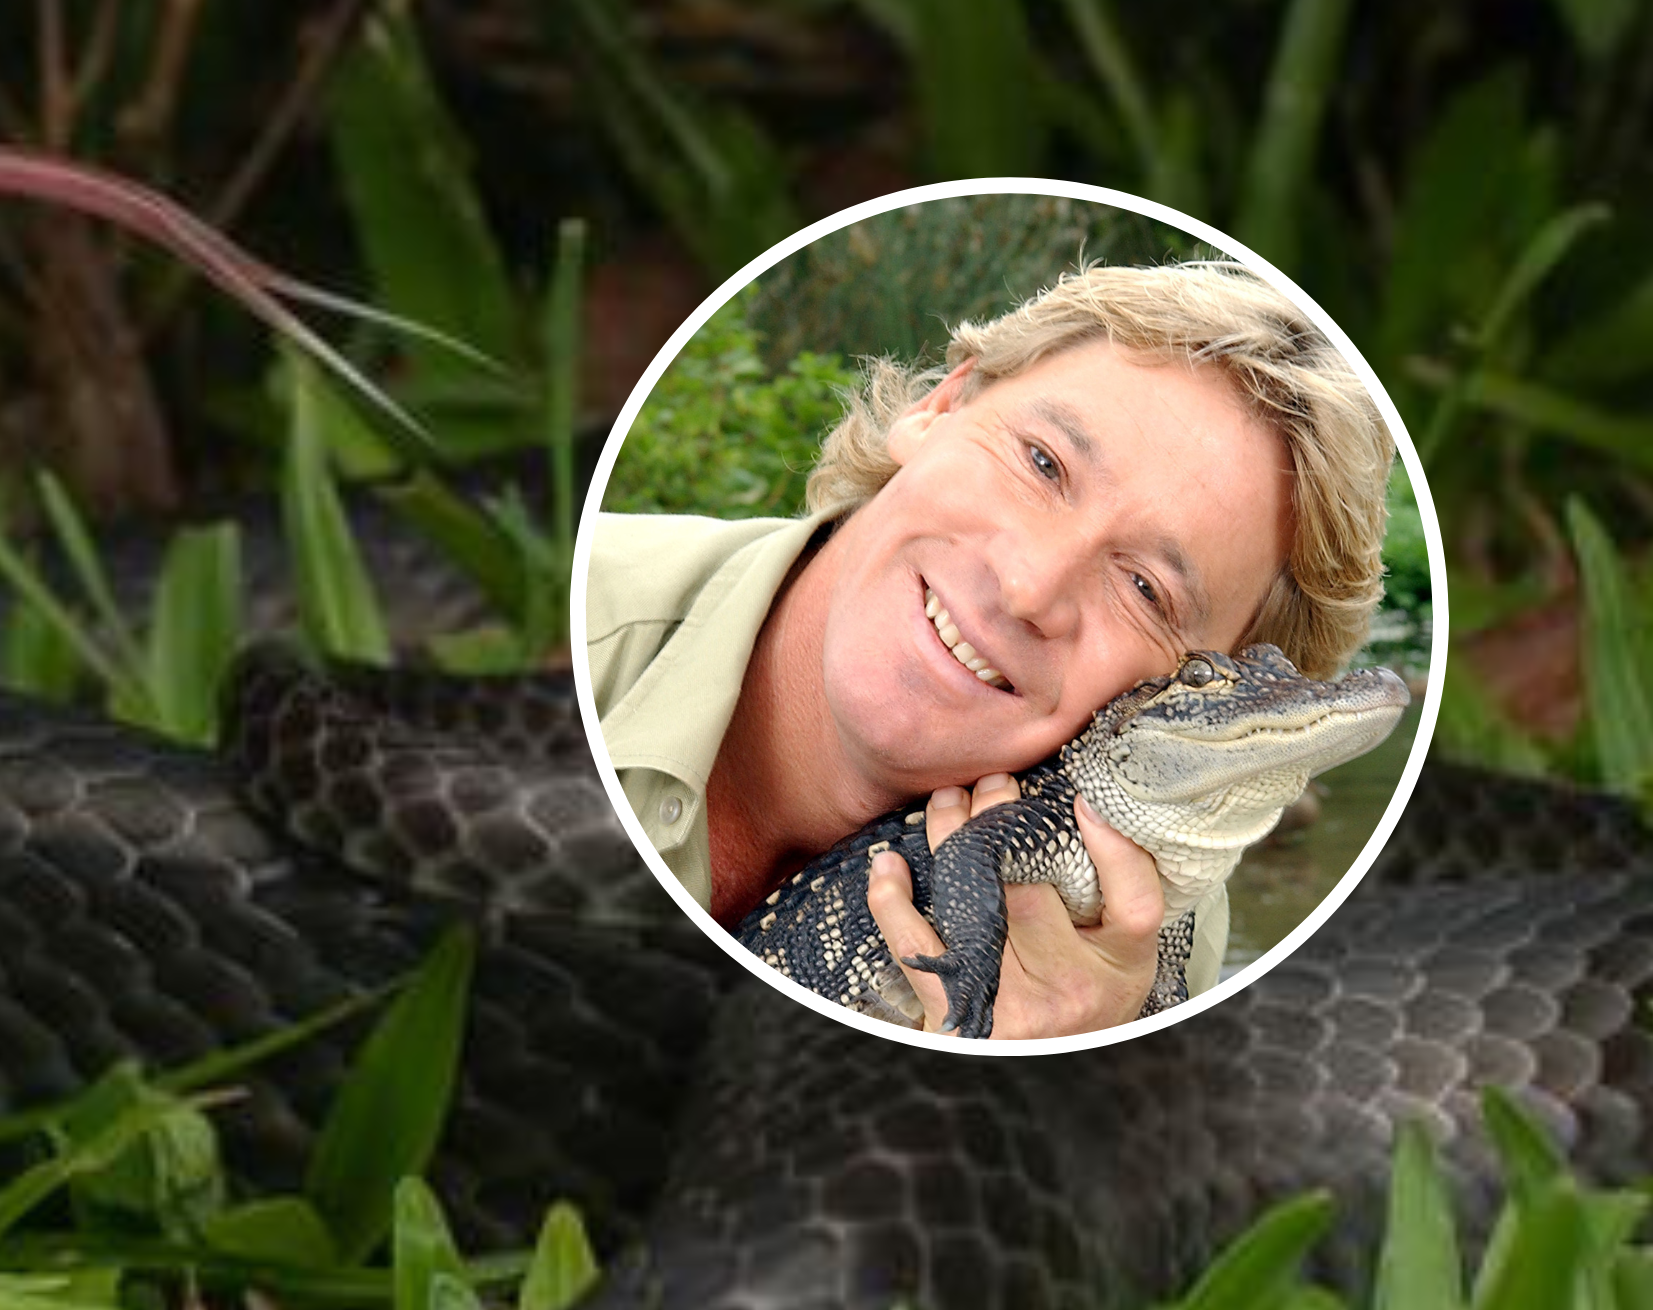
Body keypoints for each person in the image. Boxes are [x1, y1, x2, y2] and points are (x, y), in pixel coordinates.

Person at [584, 259, 1394, 1039]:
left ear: (1179, 683)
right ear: (942, 406)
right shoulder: (568, 627)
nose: (1028, 587)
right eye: (1042, 463)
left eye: (1147, 590)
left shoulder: (1131, 926)